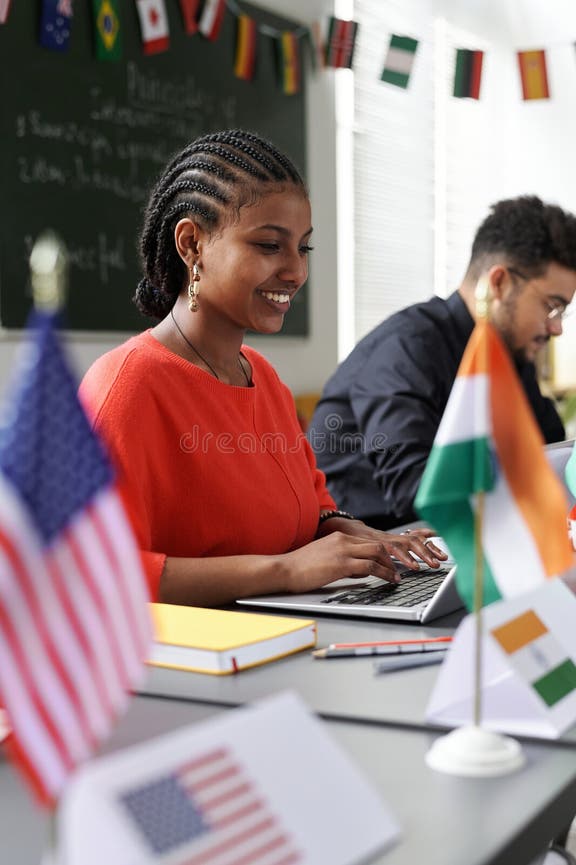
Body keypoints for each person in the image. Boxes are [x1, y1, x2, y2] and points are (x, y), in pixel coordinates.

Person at [79, 129, 445, 606]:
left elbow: (310, 513)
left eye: (303, 248)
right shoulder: (126, 386)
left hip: (294, 633)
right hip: (194, 663)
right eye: (270, 246)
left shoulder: (262, 376)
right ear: (191, 244)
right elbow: (99, 578)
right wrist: (285, 571)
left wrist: (362, 537)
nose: (296, 271)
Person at [308, 195, 576, 531]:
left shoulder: (508, 353)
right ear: (499, 284)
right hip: (376, 551)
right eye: (552, 306)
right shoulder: (407, 348)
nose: (557, 327)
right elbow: (419, 492)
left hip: (456, 544)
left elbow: (550, 454)